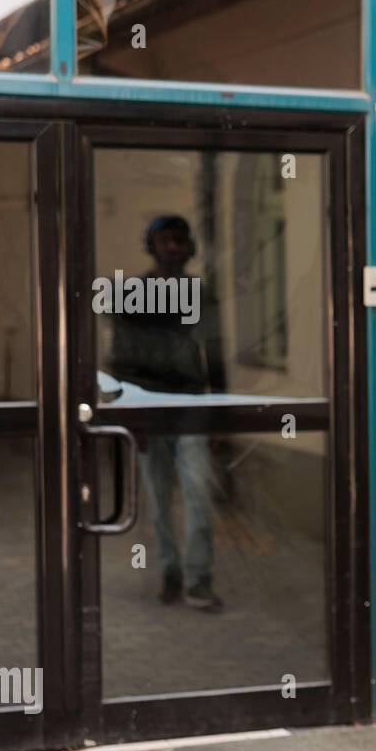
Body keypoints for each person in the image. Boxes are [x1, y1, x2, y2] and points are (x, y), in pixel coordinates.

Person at [107, 214, 225, 611]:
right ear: (152, 245)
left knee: (197, 493)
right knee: (158, 500)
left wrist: (222, 411)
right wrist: (130, 416)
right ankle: (170, 571)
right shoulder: (133, 294)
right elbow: (120, 359)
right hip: (148, 408)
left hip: (191, 405)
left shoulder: (200, 292)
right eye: (165, 240)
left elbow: (215, 353)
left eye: (180, 240)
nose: (173, 247)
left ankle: (199, 579)